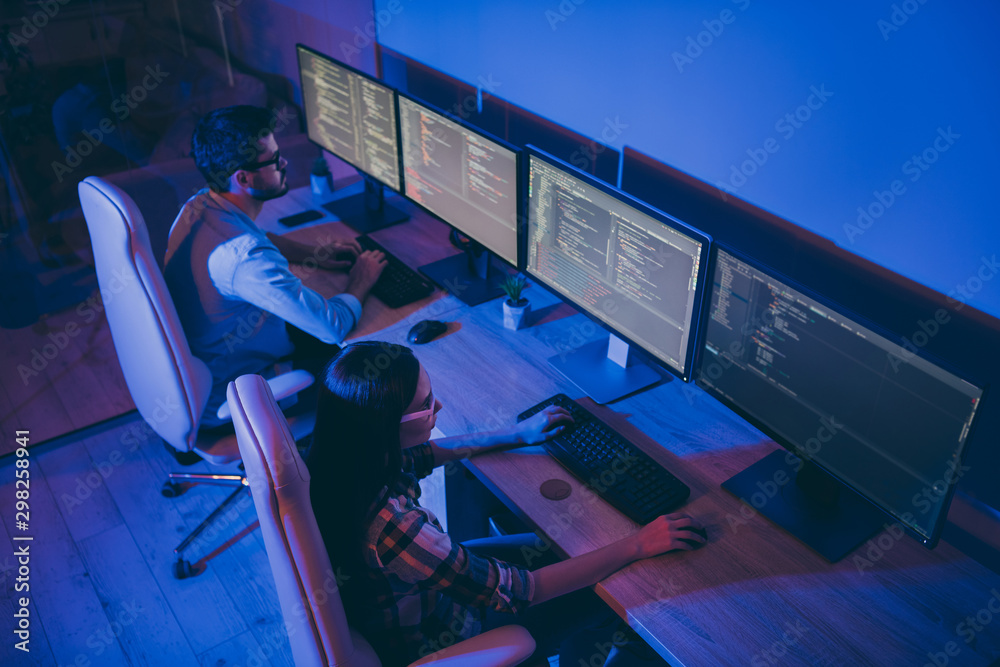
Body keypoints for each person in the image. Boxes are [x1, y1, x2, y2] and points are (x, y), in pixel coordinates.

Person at [307, 341, 705, 666]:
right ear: (387, 427)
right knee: (609, 590)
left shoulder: (343, 459)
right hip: (446, 639)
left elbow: (427, 454)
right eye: (426, 405)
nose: (439, 408)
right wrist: (639, 543)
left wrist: (516, 433)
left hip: (432, 595)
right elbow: (523, 591)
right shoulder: (395, 528)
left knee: (562, 549)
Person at [164, 105, 387, 426]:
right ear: (244, 178)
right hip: (243, 393)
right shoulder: (245, 259)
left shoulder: (198, 206)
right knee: (374, 370)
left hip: (214, 365)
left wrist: (312, 253)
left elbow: (254, 237)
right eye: (274, 159)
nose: (284, 163)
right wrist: (361, 280)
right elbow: (332, 326)